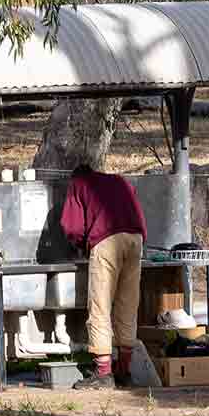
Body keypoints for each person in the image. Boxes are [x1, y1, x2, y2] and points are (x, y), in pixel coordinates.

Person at [59, 163, 147, 389]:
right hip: (136, 239)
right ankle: (124, 370)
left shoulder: (78, 184)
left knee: (100, 306)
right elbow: (136, 209)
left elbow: (72, 226)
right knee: (127, 305)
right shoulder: (119, 180)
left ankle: (103, 373)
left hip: (107, 241)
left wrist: (79, 245)